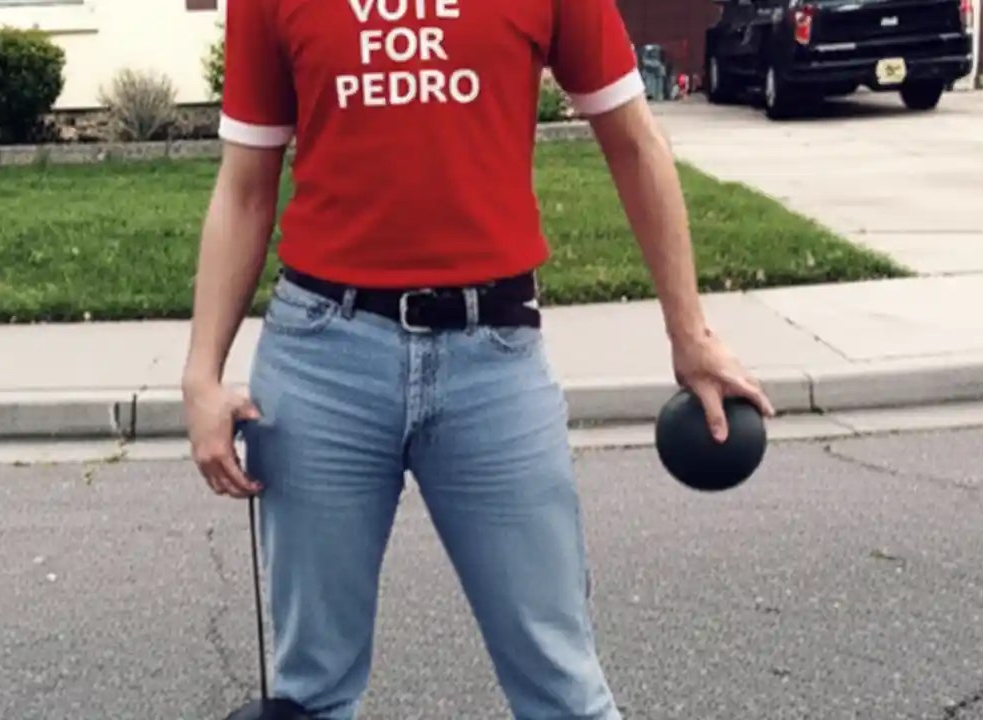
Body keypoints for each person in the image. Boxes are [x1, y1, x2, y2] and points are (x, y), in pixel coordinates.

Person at [181, 0, 776, 715]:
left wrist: (691, 332)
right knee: (311, 691)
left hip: (492, 356)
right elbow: (246, 188)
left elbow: (635, 141)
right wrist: (201, 374)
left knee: (562, 684)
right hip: (322, 358)